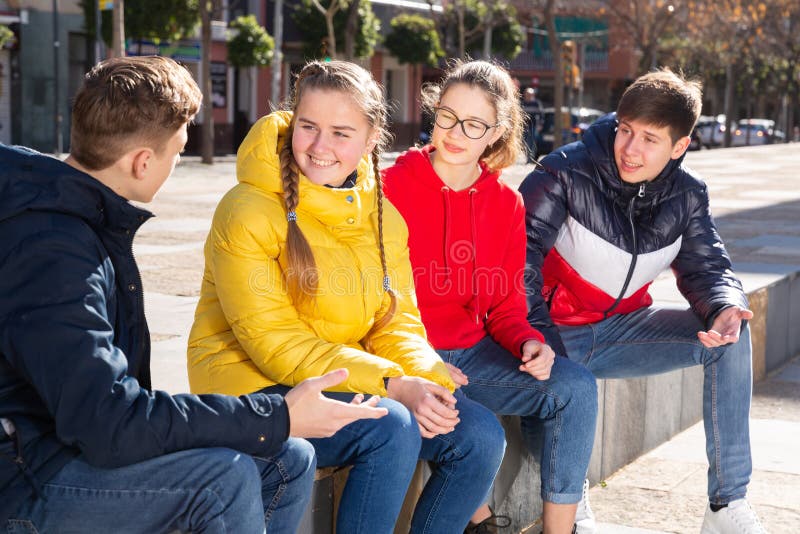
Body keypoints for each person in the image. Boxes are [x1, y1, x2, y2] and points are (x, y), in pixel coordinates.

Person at [0, 56, 391, 533]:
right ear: (143, 162)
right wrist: (275, 412)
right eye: (177, 152)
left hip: (64, 448)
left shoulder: (80, 222)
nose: (177, 164)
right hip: (28, 484)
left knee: (286, 458)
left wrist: (275, 422)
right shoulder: (53, 254)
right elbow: (106, 421)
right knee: (220, 479)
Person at [187, 59, 506, 534]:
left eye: (341, 133)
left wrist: (427, 376)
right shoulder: (248, 209)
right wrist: (393, 385)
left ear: (372, 137)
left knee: (479, 434)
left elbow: (396, 322)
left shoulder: (381, 217)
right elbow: (276, 345)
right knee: (390, 426)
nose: (320, 147)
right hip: (250, 386)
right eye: (309, 127)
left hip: (339, 375)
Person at [520, 68, 766, 534]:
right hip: (556, 333)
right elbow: (517, 264)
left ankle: (726, 506)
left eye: (649, 139)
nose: (630, 149)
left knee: (732, 334)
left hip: (623, 331)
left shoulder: (687, 195)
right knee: (559, 384)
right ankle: (573, 501)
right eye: (625, 130)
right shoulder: (562, 172)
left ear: (679, 146)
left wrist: (724, 306)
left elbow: (706, 265)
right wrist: (538, 338)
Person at [383, 60, 598, 534]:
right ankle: (479, 521)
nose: (455, 133)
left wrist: (527, 343)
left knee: (576, 387)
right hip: (409, 355)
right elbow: (375, 302)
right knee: (470, 425)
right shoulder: (390, 187)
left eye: (474, 124)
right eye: (446, 116)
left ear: (496, 132)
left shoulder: (506, 203)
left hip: (475, 356)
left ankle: (558, 529)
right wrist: (420, 361)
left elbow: (504, 305)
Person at [522, 87, 544, 162]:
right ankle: (527, 157)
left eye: (530, 94)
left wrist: (540, 124)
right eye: (527, 94)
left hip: (533, 126)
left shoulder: (536, 103)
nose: (528, 96)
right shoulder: (523, 103)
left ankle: (530, 159)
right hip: (524, 126)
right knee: (525, 143)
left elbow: (541, 114)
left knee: (532, 143)